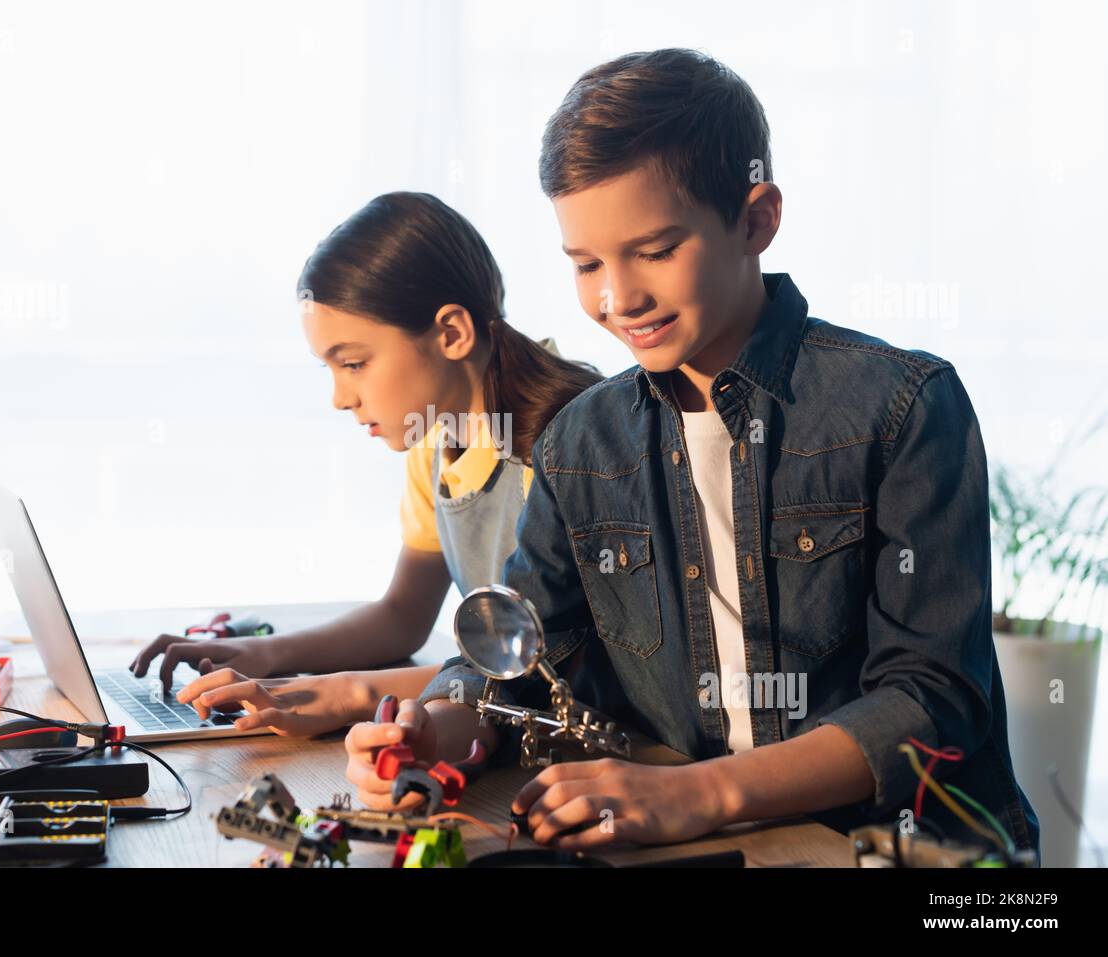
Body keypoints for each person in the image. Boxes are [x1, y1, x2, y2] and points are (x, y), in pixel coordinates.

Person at [344, 49, 1039, 863]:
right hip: (717, 840)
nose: (618, 297)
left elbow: (931, 704)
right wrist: (435, 724)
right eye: (586, 264)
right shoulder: (582, 442)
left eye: (655, 249)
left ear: (756, 220)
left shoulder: (904, 406)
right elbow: (516, 653)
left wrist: (695, 793)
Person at [129, 191, 600, 737]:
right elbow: (403, 616)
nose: (340, 397)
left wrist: (346, 693)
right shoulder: (437, 436)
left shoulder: (568, 443)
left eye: (354, 363)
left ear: (451, 333)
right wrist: (259, 653)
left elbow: (556, 671)